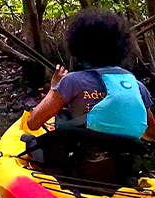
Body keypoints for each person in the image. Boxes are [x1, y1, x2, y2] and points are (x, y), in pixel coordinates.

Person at [27, 8, 155, 140]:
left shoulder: (72, 81)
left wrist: (54, 88)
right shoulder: (137, 86)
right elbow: (152, 134)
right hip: (122, 158)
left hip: (80, 158)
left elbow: (33, 123)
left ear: (79, 45)